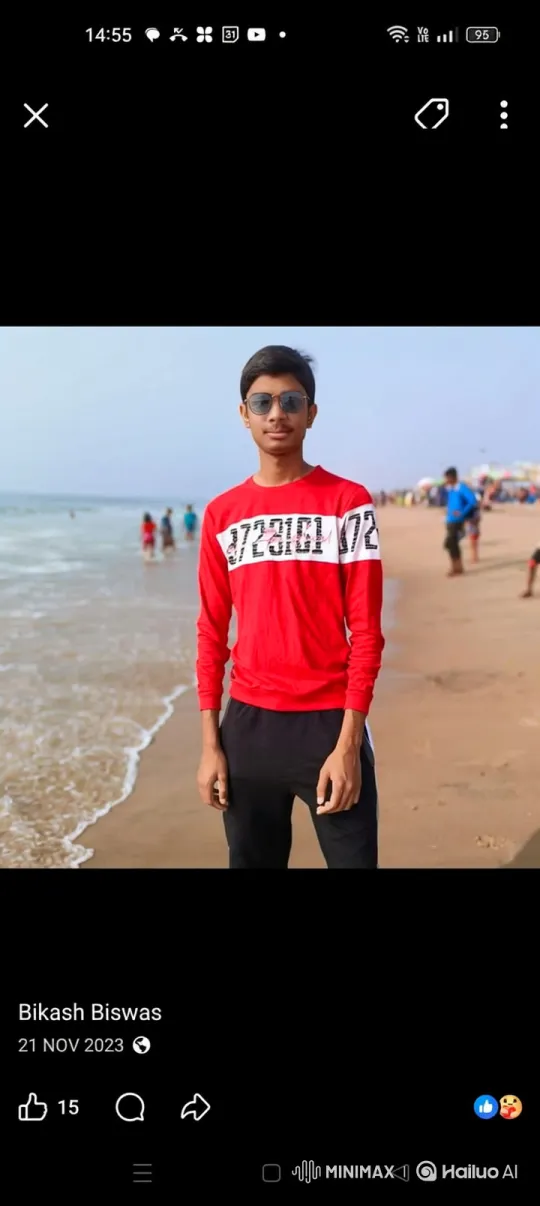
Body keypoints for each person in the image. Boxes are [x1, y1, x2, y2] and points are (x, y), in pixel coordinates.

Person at [195, 345, 384, 869]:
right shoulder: (221, 515)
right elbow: (211, 633)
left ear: (311, 413)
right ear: (244, 414)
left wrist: (348, 746)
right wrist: (212, 745)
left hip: (327, 725)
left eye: (290, 400)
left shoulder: (348, 502)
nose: (276, 413)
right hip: (248, 730)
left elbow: (366, 632)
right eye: (261, 402)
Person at [442, 467, 478, 576]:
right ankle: (457, 566)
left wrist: (462, 512)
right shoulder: (451, 489)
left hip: (457, 520)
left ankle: (456, 567)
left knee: (451, 543)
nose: (446, 480)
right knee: (450, 544)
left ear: (452, 477)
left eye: (447, 478)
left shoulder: (461, 488)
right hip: (450, 520)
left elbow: (472, 501)